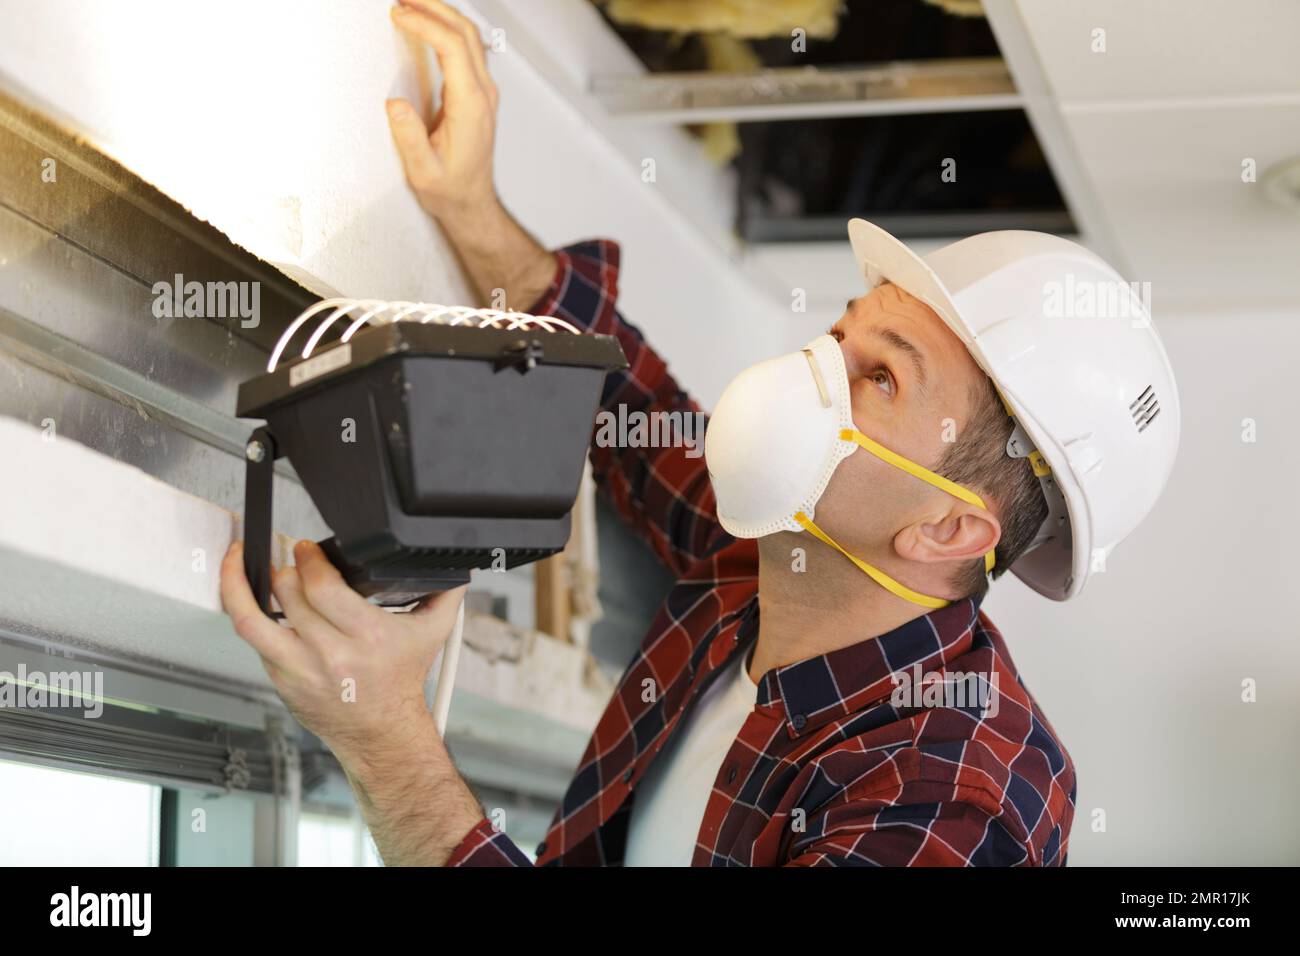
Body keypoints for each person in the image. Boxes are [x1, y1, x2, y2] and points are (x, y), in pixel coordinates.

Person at [220, 0, 1178, 867]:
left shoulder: (959, 792)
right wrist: (468, 208)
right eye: (841, 333)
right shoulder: (755, 571)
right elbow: (631, 414)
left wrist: (385, 740)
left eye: (876, 375)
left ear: (948, 529)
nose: (811, 368)